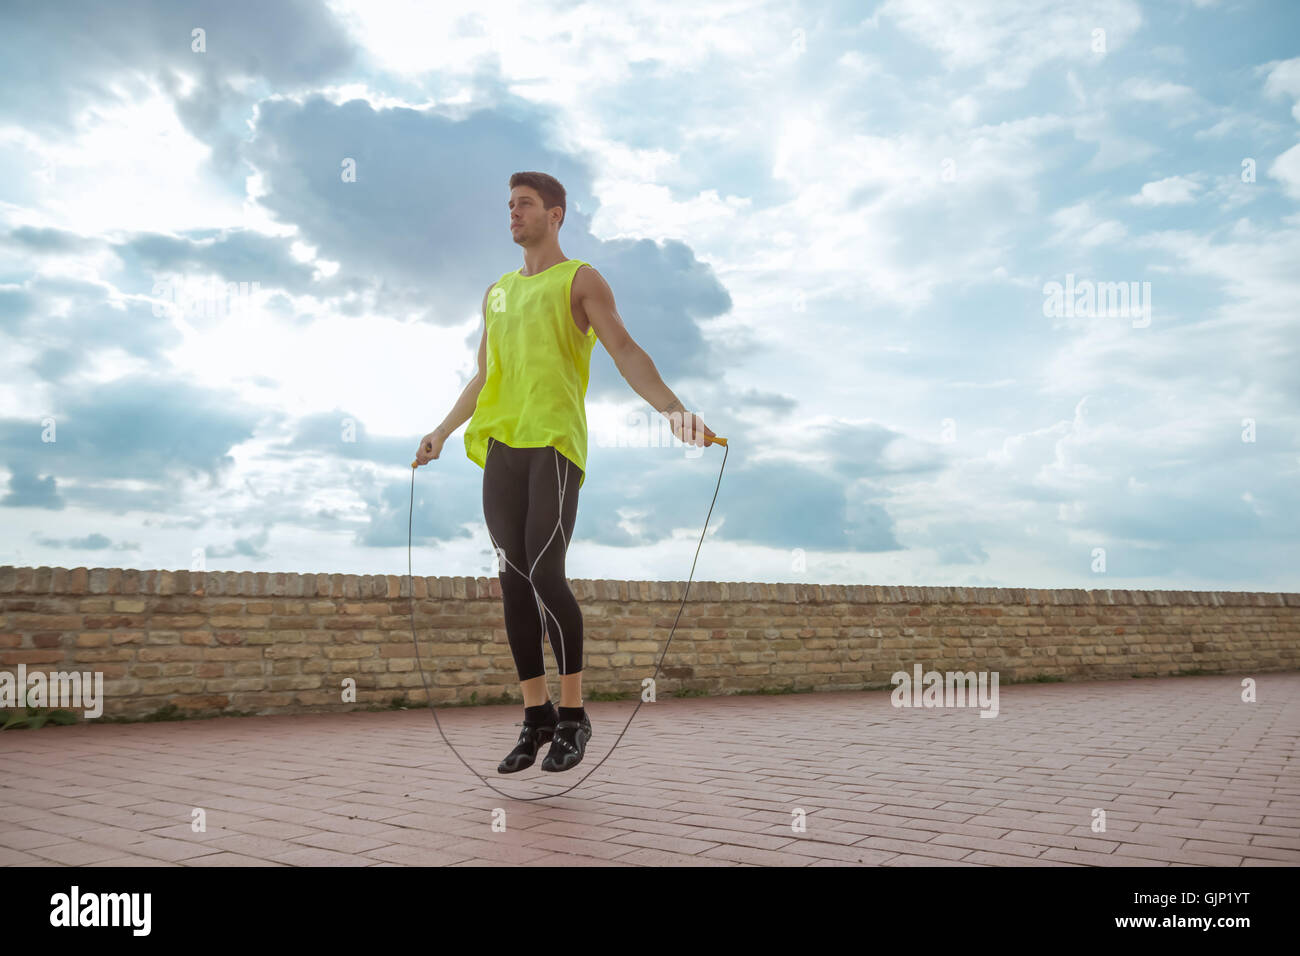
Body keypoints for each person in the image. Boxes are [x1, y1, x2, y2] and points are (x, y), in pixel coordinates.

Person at [414, 171, 715, 773]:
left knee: (546, 573)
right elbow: (484, 374)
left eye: (523, 205)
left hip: (553, 446)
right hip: (499, 448)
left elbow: (625, 349)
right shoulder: (496, 292)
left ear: (555, 214)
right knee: (512, 579)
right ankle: (537, 717)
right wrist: (442, 430)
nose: (512, 214)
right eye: (508, 206)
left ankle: (575, 717)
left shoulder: (580, 279)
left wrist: (675, 412)